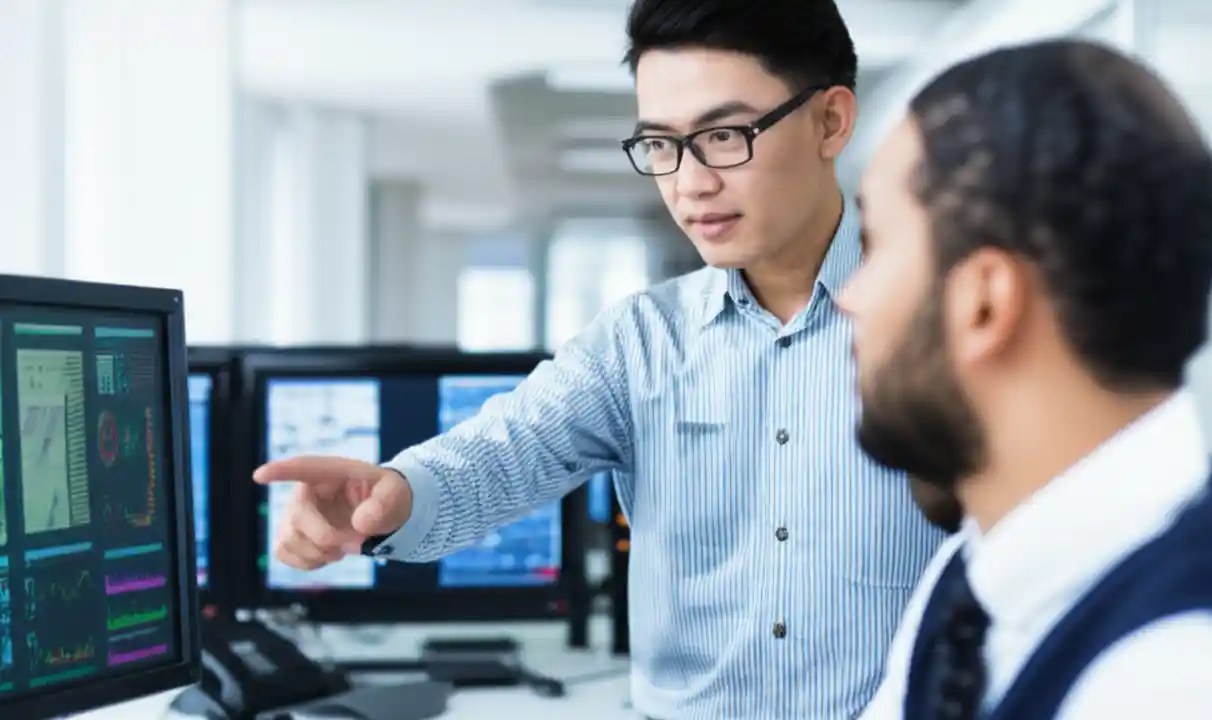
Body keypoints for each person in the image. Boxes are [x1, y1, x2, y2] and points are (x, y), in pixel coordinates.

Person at [252, 1, 944, 718]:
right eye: (662, 146)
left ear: (831, 121)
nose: (690, 182)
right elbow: (503, 453)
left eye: (724, 134)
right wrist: (394, 495)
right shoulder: (641, 341)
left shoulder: (953, 324)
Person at [838, 38, 1212, 719]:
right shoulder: (967, 584)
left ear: (984, 301)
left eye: (874, 246)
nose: (849, 298)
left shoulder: (1197, 680)